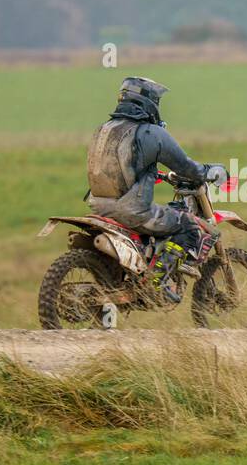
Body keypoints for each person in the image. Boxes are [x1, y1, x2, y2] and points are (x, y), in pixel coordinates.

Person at [85, 77, 227, 302]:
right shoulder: (149, 132)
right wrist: (208, 171)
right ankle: (155, 283)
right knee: (188, 227)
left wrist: (151, 172)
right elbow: (185, 166)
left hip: (98, 207)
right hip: (132, 211)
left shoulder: (104, 129)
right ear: (148, 102)